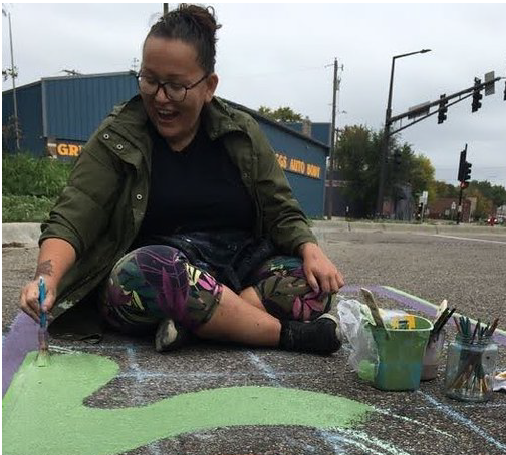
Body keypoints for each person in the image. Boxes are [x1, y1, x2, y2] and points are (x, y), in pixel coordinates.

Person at [17, 4, 344, 355]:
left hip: (236, 269)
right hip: (157, 278)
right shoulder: (117, 136)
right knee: (147, 270)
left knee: (315, 283)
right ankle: (288, 335)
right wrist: (46, 277)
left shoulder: (242, 135)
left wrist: (311, 251)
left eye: (176, 86)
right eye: (149, 80)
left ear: (209, 86)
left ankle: (203, 322)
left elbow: (281, 209)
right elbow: (75, 212)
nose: (160, 98)